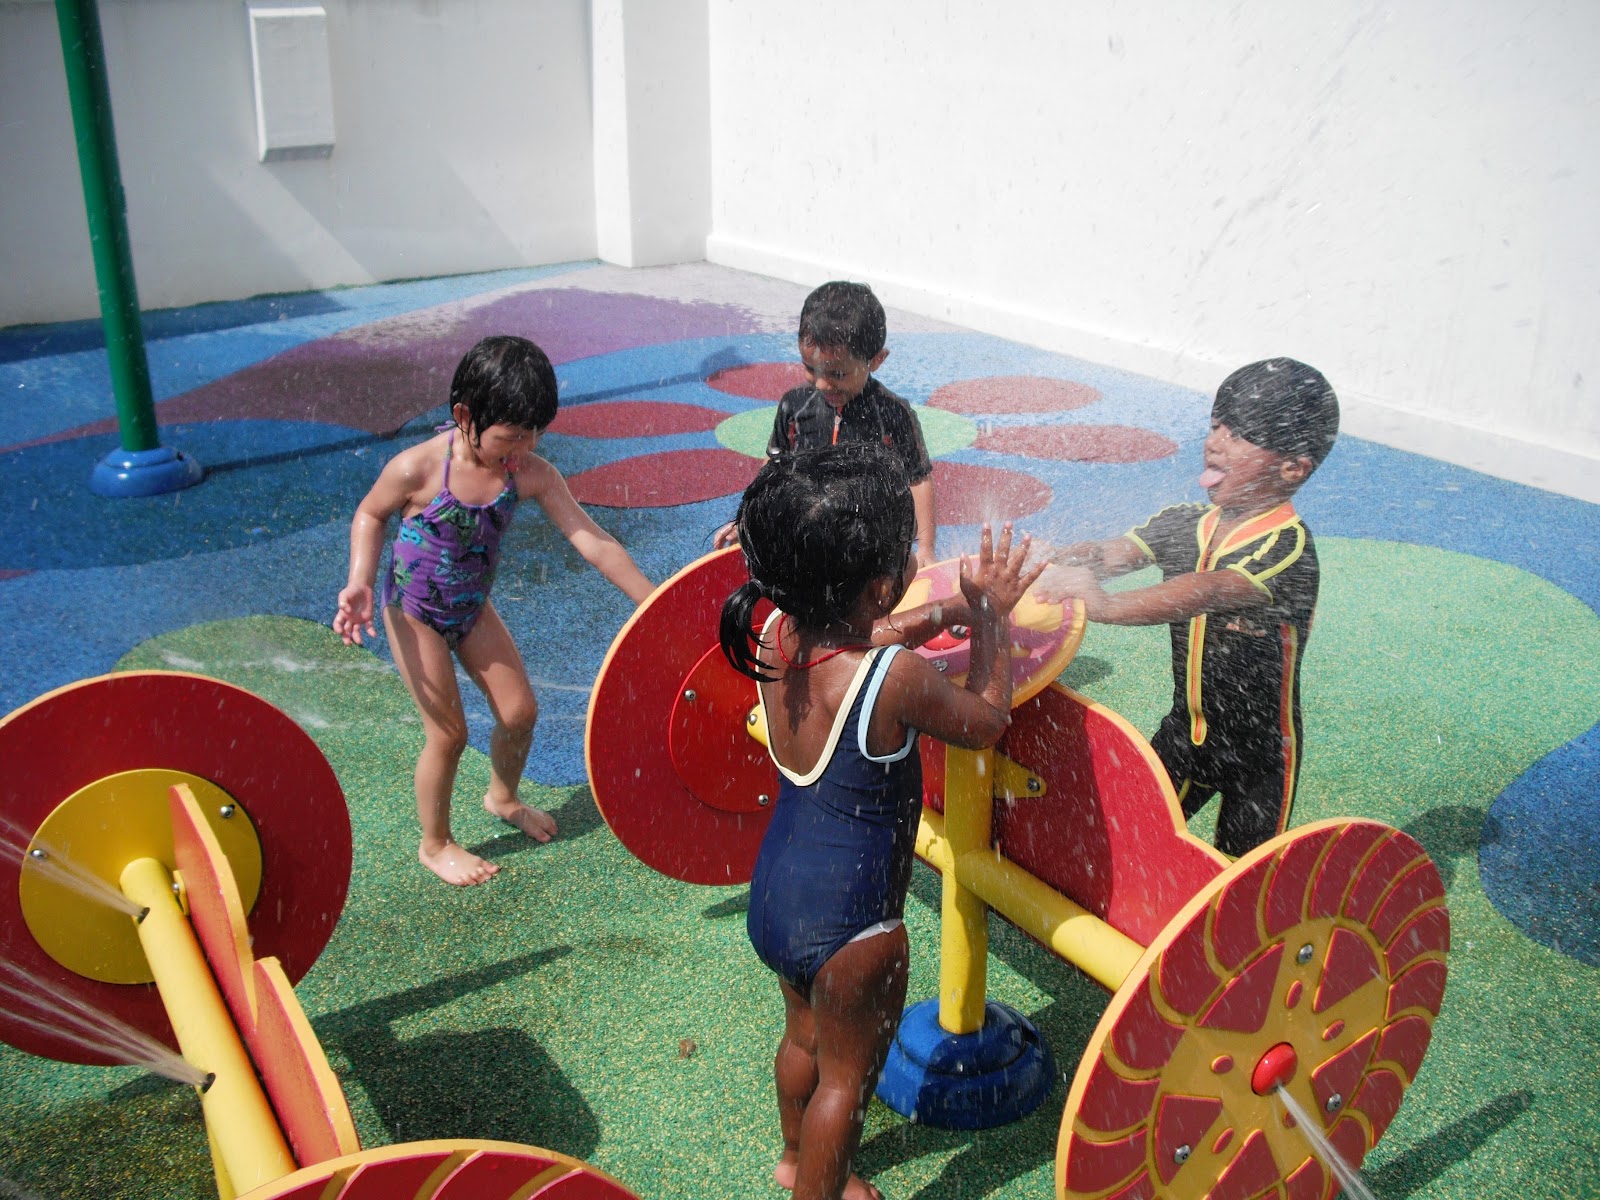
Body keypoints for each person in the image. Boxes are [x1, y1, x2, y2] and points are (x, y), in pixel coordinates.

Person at [719, 442, 1042, 1200]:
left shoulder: (777, 634)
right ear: (881, 583)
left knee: (802, 1036)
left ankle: (794, 1159)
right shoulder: (895, 680)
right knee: (846, 1081)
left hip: (778, 897)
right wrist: (988, 617)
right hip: (856, 929)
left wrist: (936, 612)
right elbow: (987, 719)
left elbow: (864, 640)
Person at [334, 335, 655, 886]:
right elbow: (370, 514)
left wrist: (653, 604)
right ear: (464, 415)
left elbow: (593, 541)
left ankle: (502, 796)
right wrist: (360, 580)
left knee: (519, 713)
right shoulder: (417, 470)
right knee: (449, 734)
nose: (522, 448)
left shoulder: (529, 473)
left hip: (471, 608)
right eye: (510, 436)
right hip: (413, 612)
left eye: (533, 434)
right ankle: (435, 844)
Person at [1038, 357, 1339, 858]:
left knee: (1239, 877)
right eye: (1216, 425)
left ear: (1292, 467)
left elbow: (1207, 589)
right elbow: (1113, 553)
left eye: (1239, 434)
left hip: (1261, 758)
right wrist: (1048, 559)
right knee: (1128, 842)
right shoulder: (1186, 522)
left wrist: (1106, 605)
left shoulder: (1286, 548)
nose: (1215, 441)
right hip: (1188, 731)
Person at [716, 281, 939, 567]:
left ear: (876, 360)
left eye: (837, 373)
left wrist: (927, 550)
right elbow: (773, 466)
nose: (822, 384)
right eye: (811, 369)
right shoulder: (795, 405)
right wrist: (748, 520)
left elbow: (918, 479)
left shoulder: (893, 414)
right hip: (808, 533)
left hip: (870, 540)